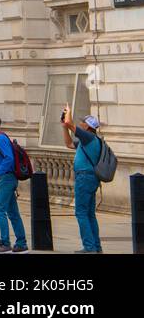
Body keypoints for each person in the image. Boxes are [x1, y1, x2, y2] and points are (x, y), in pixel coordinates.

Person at [0, 112, 27, 253]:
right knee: (13, 213)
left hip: (5, 179)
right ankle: (21, 244)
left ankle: (5, 243)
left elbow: (9, 158)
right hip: (6, 178)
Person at [62, 108, 104, 253]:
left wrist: (67, 111)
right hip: (89, 178)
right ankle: (96, 247)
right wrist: (64, 128)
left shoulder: (88, 137)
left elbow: (69, 122)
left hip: (84, 177)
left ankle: (89, 247)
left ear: (87, 126)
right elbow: (68, 144)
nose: (79, 123)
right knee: (89, 213)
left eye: (82, 122)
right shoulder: (89, 140)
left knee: (81, 212)